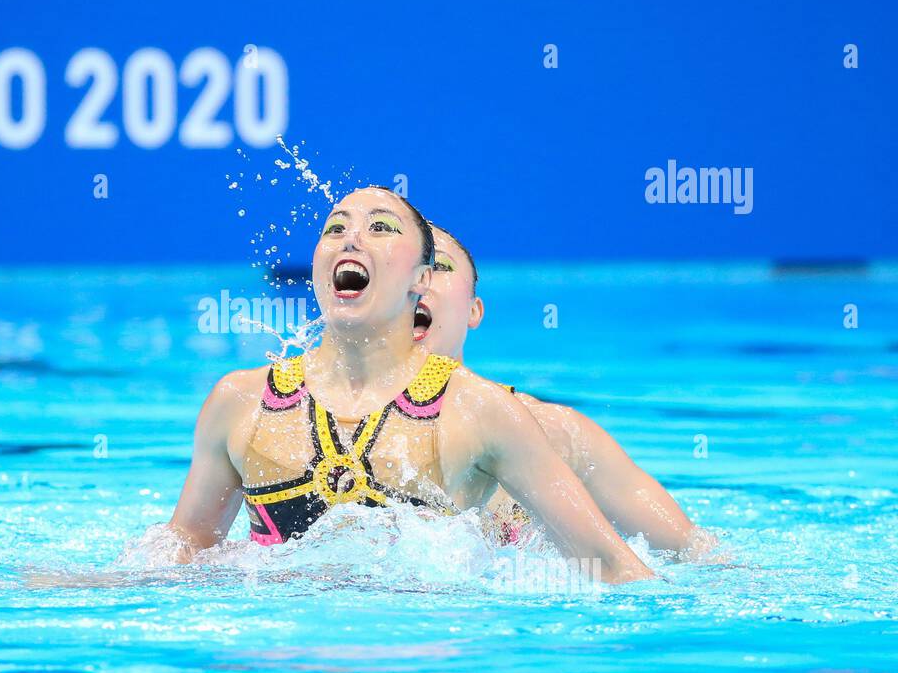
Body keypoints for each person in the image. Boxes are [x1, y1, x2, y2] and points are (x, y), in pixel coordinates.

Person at [165, 187, 656, 583]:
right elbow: (178, 560)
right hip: (279, 667)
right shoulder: (241, 401)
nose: (351, 239)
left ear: (422, 278)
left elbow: (612, 566)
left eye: (380, 227)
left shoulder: (481, 411)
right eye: (335, 228)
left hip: (421, 668)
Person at [416, 224, 717, 559]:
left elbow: (695, 554)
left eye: (438, 267)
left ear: (473, 311)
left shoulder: (555, 434)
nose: (419, 282)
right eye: (407, 270)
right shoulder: (346, 435)